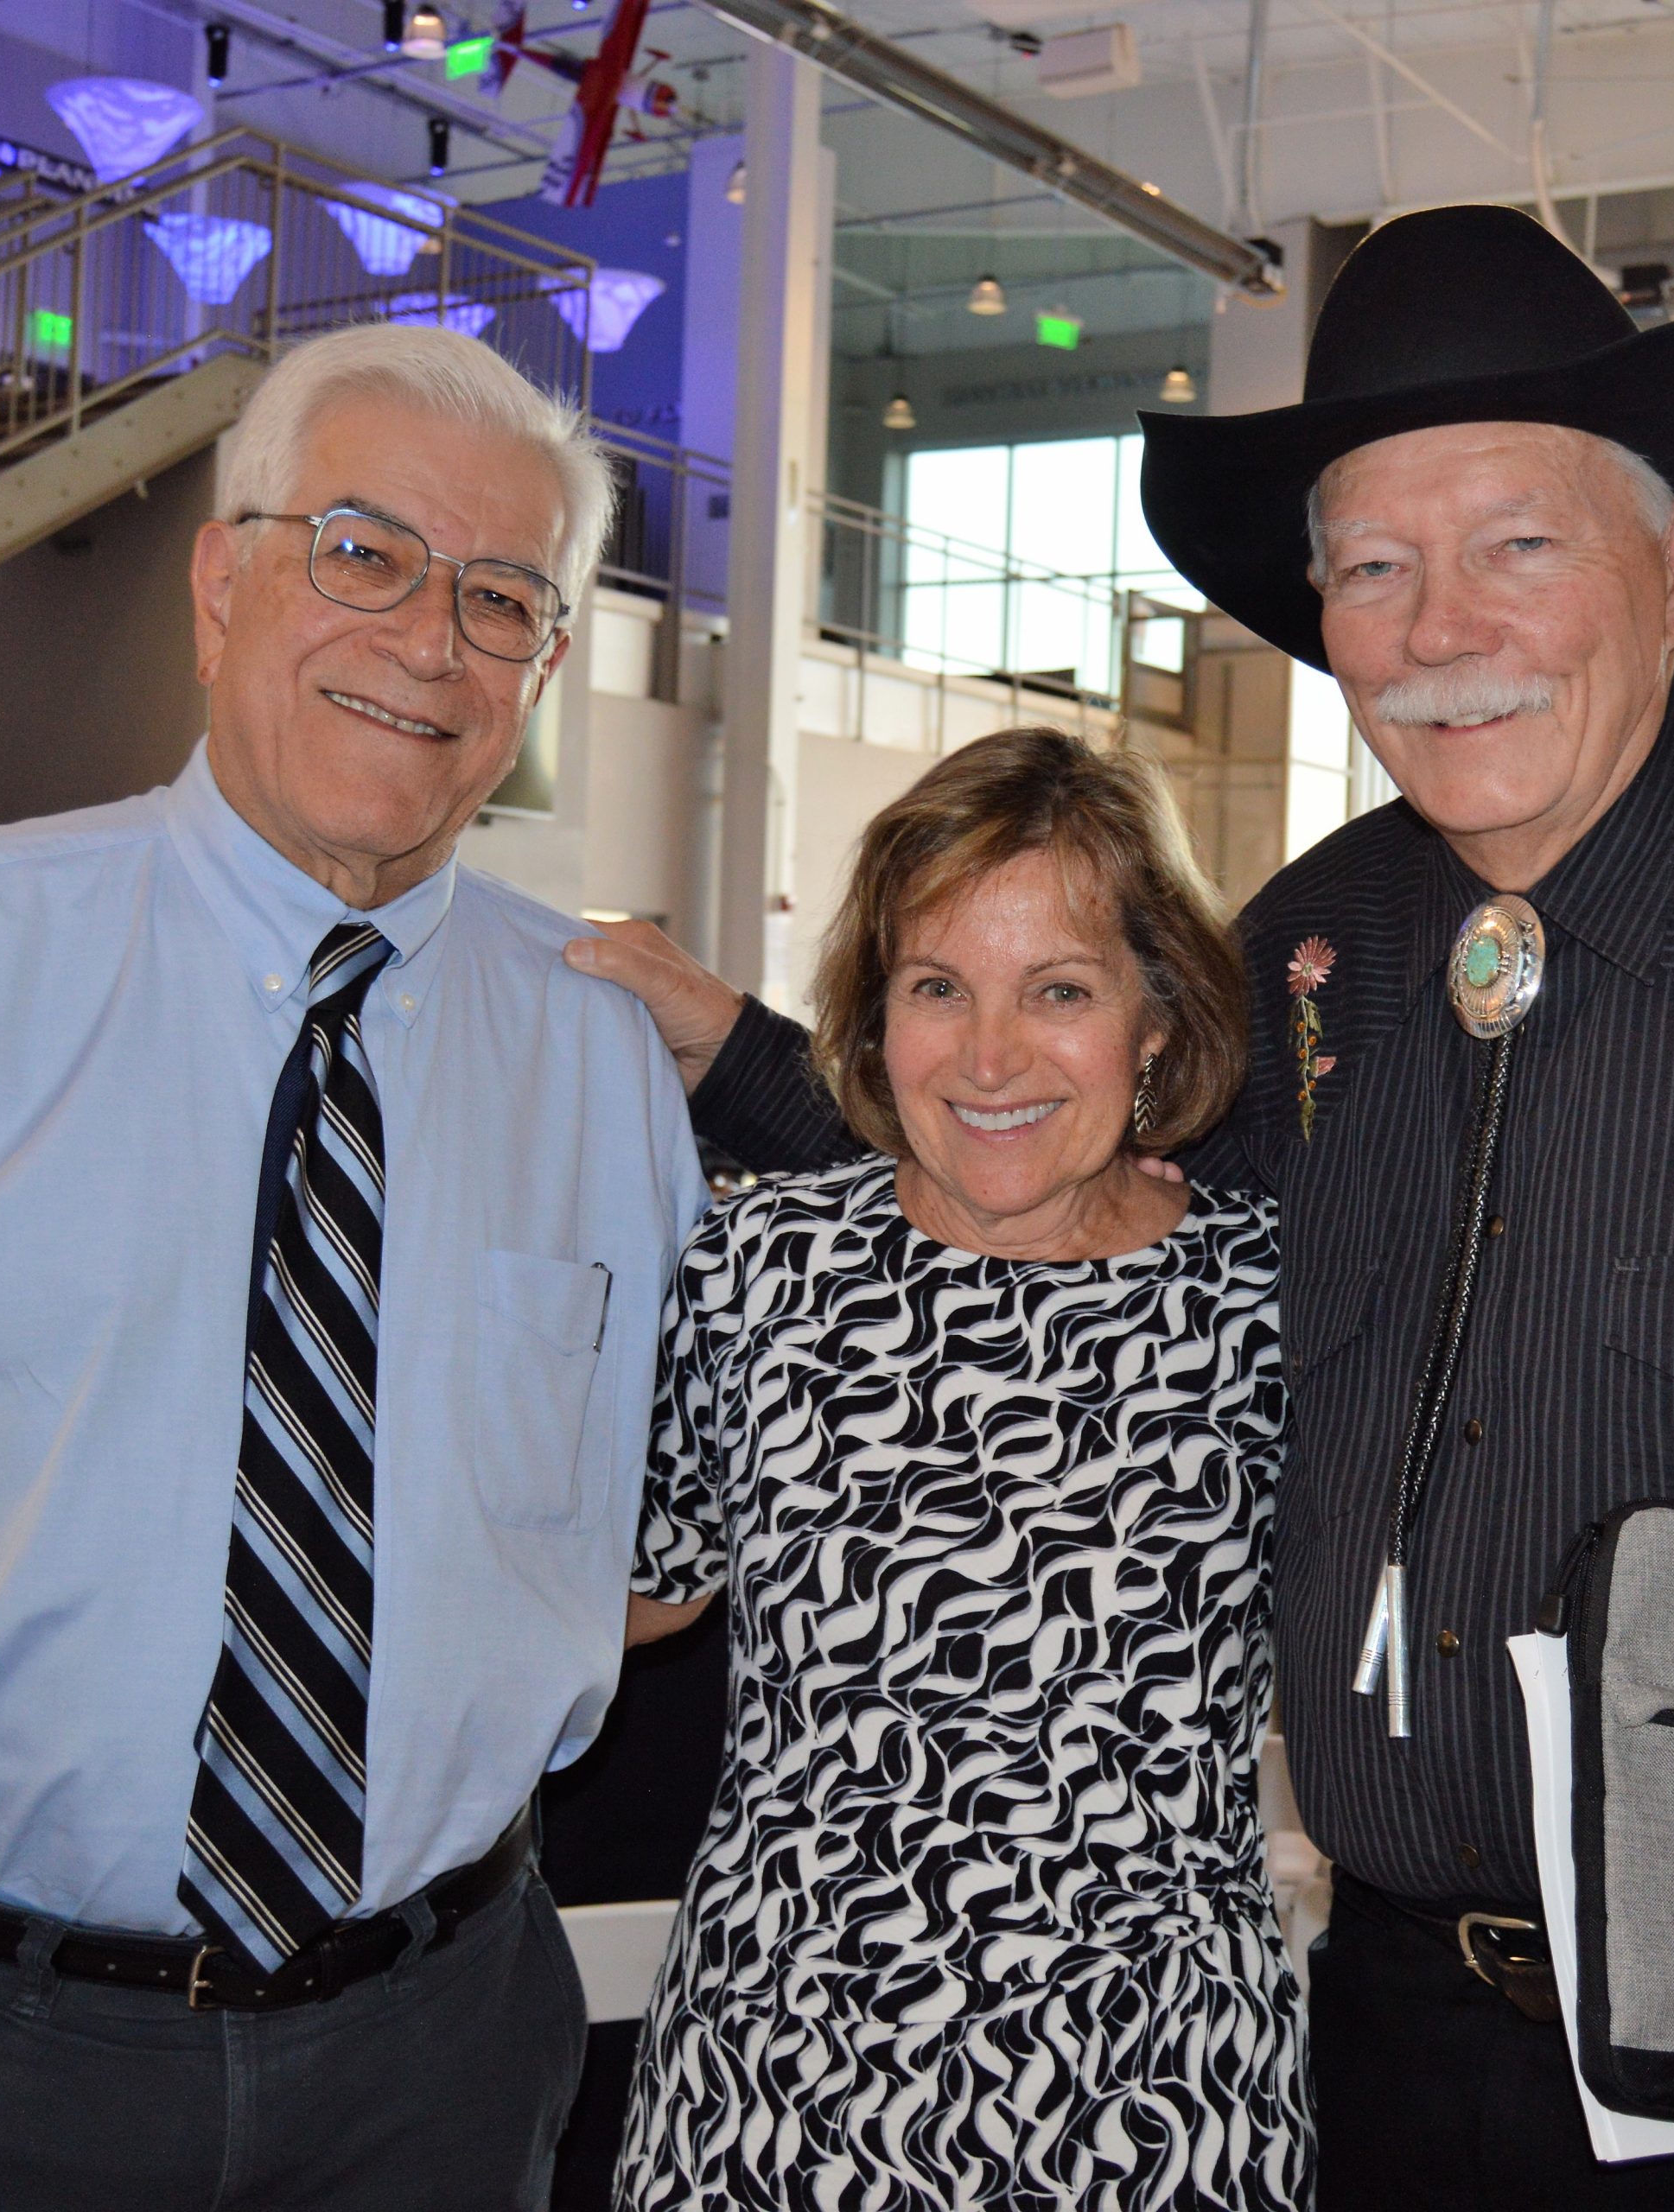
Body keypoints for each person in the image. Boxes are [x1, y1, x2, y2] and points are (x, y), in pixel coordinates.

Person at [570, 207, 1674, 2212]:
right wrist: (735, 1050)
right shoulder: (1307, 964)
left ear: (1672, 567)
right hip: (1380, 2070)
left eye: (1514, 544)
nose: (1434, 625)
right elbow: (1018, 1178)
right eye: (1373, 566)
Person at [0, 322, 707, 2210]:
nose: (430, 635)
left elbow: (667, 1518)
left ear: (540, 664)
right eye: (362, 551)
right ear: (221, 580)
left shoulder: (607, 1054)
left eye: (504, 594)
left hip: (429, 2057)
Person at [610, 727, 1310, 2210]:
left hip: (1154, 2111)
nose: (990, 1058)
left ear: (1160, 1022)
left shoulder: (1272, 1302)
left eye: (1059, 991)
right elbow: (638, 1594)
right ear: (873, 1021)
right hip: (778, 2097)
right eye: (939, 989)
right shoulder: (757, 1268)